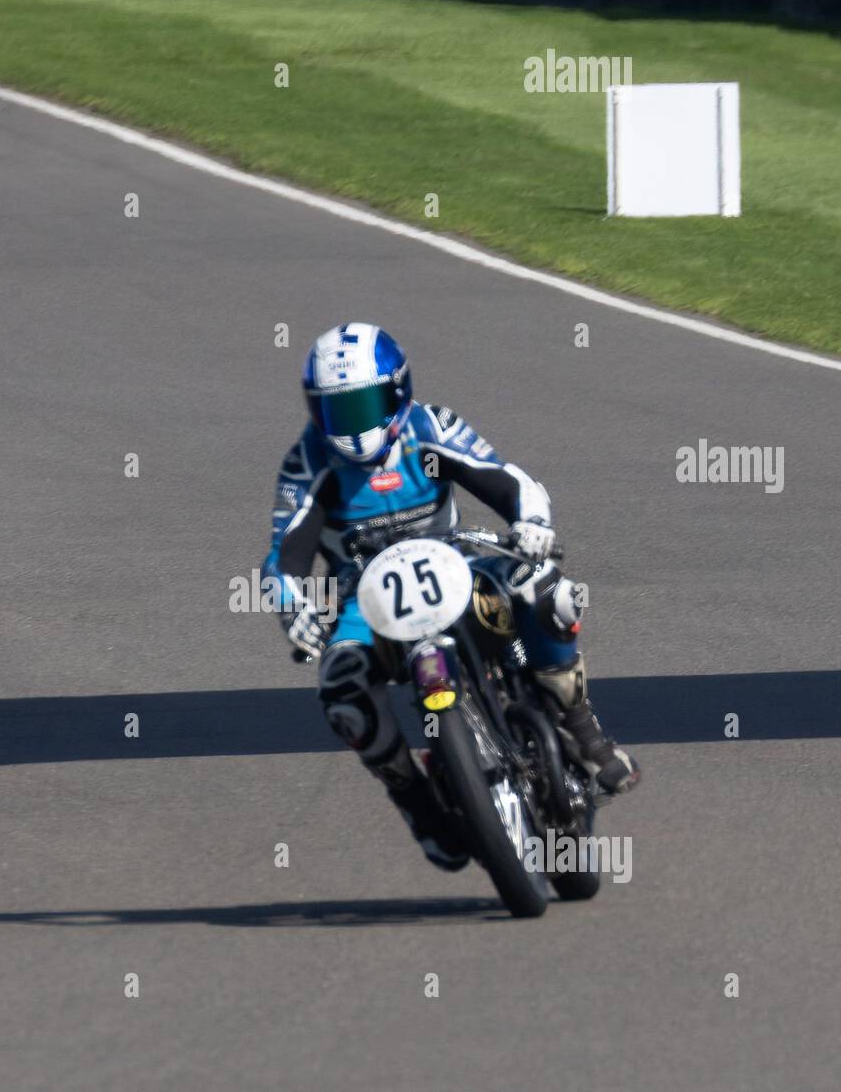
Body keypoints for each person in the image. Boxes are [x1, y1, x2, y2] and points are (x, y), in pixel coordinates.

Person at [262, 323, 640, 870]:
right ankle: (415, 801)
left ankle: (583, 730)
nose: (354, 424)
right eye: (339, 411)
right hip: (364, 601)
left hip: (458, 563)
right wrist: (291, 603)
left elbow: (506, 479)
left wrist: (530, 522)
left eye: (366, 405)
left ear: (397, 392)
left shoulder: (429, 426)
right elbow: (285, 555)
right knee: (340, 691)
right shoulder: (307, 463)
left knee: (549, 592)